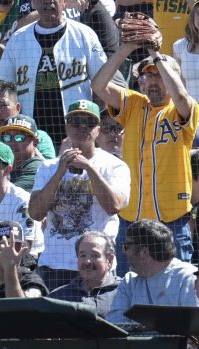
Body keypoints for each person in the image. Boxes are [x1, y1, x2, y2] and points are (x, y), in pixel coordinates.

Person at [93, 35, 199, 269]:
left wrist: (156, 55)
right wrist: (126, 48)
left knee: (176, 287)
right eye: (149, 75)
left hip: (171, 218)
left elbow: (180, 96)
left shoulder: (186, 108)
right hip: (132, 218)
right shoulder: (133, 104)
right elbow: (98, 85)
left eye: (159, 75)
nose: (152, 81)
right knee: (124, 285)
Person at [0, 0, 108, 139]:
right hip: (30, 132)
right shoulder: (18, 39)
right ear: (33, 1)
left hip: (78, 128)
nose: (48, 0)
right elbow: (4, 88)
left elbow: (101, 83)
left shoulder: (84, 34)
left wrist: (96, 125)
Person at [28, 101, 129, 289]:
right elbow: (35, 213)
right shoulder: (48, 167)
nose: (82, 127)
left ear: (98, 130)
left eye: (89, 123)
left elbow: (114, 206)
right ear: (67, 126)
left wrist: (89, 168)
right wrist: (59, 172)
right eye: (75, 121)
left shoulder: (115, 166)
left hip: (98, 266)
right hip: (54, 265)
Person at [106, 220, 199, 327]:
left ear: (144, 252)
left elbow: (192, 327)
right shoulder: (129, 281)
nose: (124, 251)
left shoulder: (187, 277)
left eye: (127, 246)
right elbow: (115, 323)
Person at [49, 230, 120, 316]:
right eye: (82, 255)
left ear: (109, 260)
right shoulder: (58, 297)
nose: (87, 262)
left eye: (95, 255)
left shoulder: (124, 292)